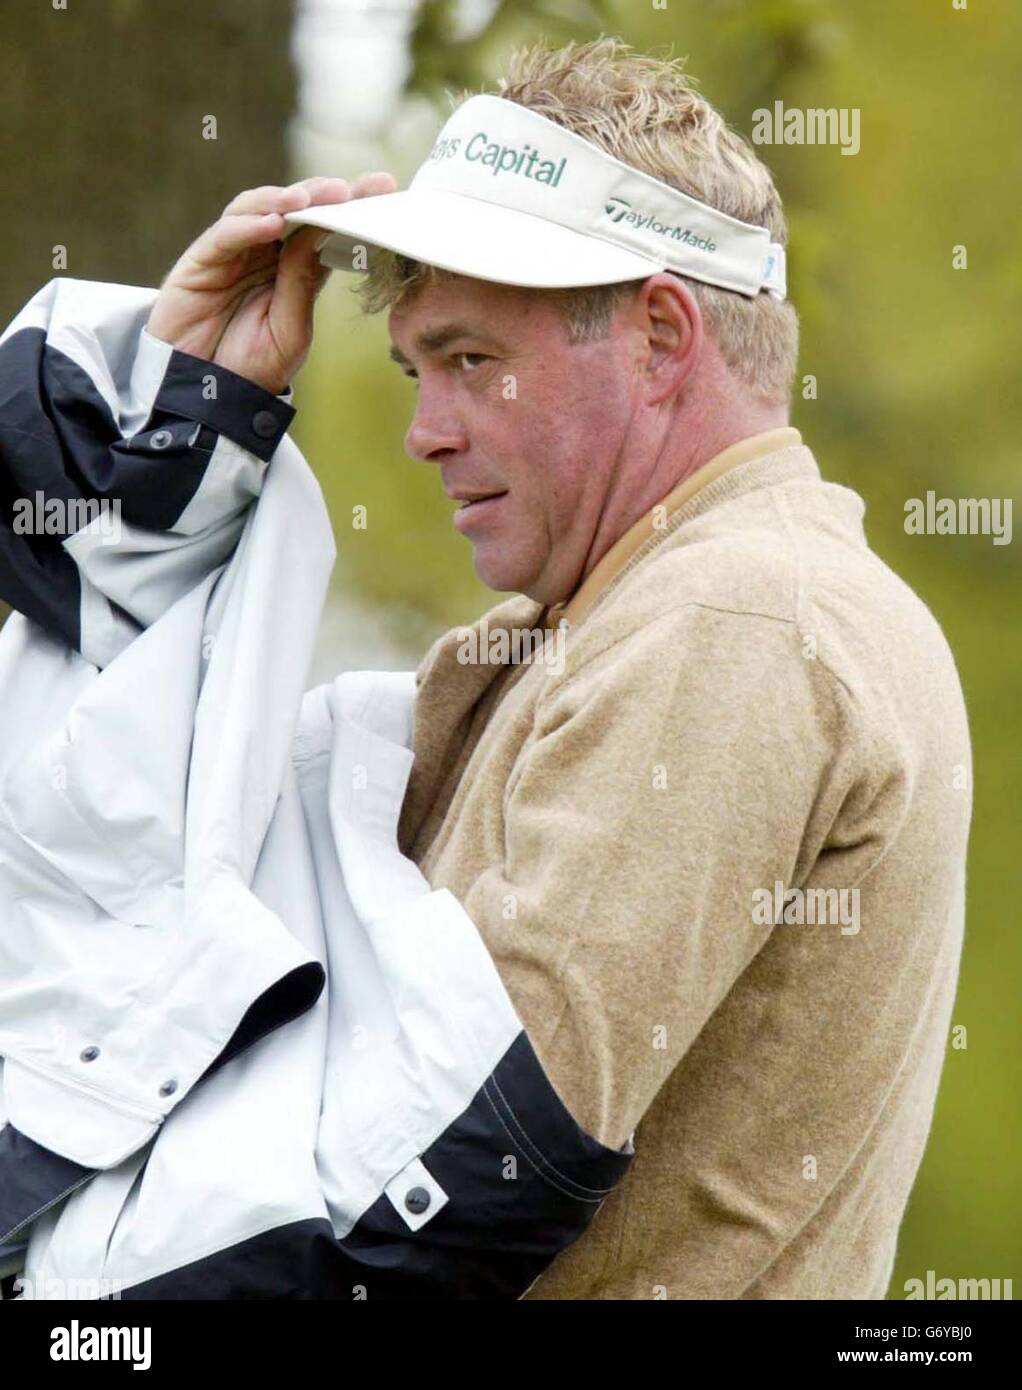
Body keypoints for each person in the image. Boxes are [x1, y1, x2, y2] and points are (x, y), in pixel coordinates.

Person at [6, 36, 971, 1300]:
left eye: (469, 361)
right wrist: (185, 429)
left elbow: (434, 1189)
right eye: (415, 369)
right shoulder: (635, 613)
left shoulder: (734, 618)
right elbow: (134, 831)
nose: (420, 431)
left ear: (661, 335)